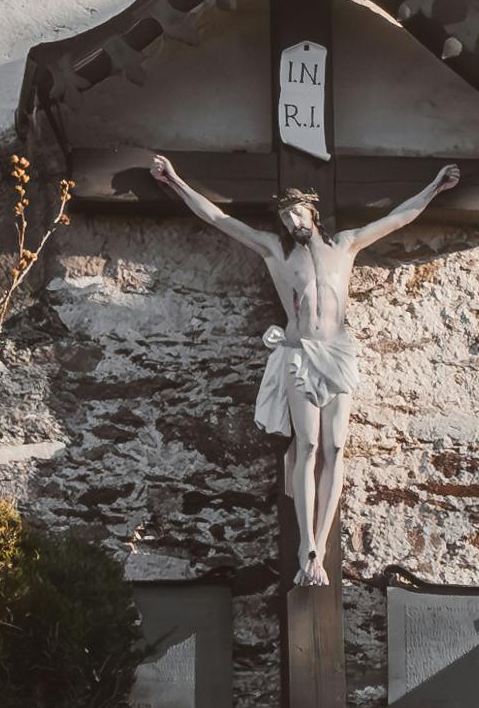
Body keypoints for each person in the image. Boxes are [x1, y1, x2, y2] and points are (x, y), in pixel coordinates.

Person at [145, 145, 453, 580]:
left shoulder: (345, 245)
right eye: (285, 217)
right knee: (307, 446)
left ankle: (322, 543)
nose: (291, 222)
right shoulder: (275, 250)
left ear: (312, 211)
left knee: (337, 447)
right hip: (300, 354)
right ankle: (307, 546)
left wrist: (435, 187)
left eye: (297, 213)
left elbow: (397, 218)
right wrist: (175, 181)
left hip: (339, 352)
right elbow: (218, 219)